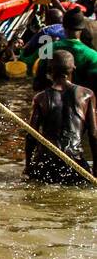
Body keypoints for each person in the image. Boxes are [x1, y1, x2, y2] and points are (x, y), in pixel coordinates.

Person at [25, 51, 97, 185]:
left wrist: (28, 166)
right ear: (73, 68)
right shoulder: (87, 95)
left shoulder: (40, 98)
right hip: (74, 161)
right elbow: (93, 134)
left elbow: (31, 136)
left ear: (50, 70)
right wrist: (96, 168)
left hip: (46, 161)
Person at [27, 8, 97, 89]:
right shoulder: (93, 56)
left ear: (63, 27)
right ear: (82, 28)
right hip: (82, 95)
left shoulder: (49, 48)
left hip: (54, 94)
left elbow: (39, 80)